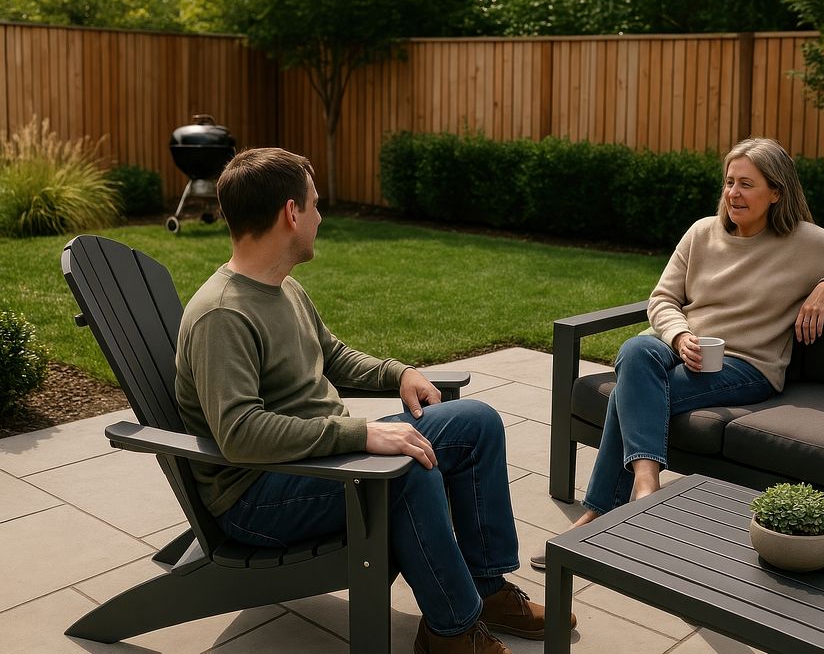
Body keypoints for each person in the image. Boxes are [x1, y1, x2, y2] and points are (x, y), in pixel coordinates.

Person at [174, 147, 573, 654]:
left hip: (317, 460)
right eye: (315, 204)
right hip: (258, 496)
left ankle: (487, 588)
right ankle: (450, 632)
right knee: (408, 468)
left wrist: (398, 373)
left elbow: (333, 357)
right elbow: (241, 433)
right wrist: (363, 435)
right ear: (291, 214)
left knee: (477, 422)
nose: (320, 216)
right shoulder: (223, 314)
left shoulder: (284, 288)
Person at [531, 137, 824, 569]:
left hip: (747, 365)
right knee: (636, 350)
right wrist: (679, 335)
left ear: (776, 191)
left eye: (747, 184)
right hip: (680, 346)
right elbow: (663, 298)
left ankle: (599, 512)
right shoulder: (702, 232)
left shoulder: (809, 242)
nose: (733, 194)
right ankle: (646, 487)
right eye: (729, 183)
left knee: (633, 395)